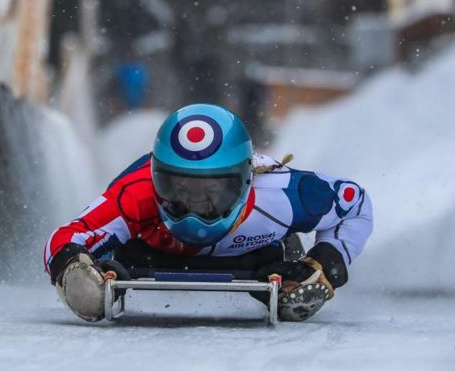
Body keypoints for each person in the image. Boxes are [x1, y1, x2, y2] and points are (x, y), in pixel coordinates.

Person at [44, 103, 373, 322]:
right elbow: (66, 238)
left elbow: (355, 205)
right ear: (157, 177)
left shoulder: (282, 193)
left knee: (288, 259)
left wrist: (324, 263)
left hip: (256, 255)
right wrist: (74, 270)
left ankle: (288, 275)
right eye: (180, 189)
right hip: (148, 253)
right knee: (112, 250)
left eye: (212, 191)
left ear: (245, 180)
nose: (195, 210)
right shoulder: (135, 193)